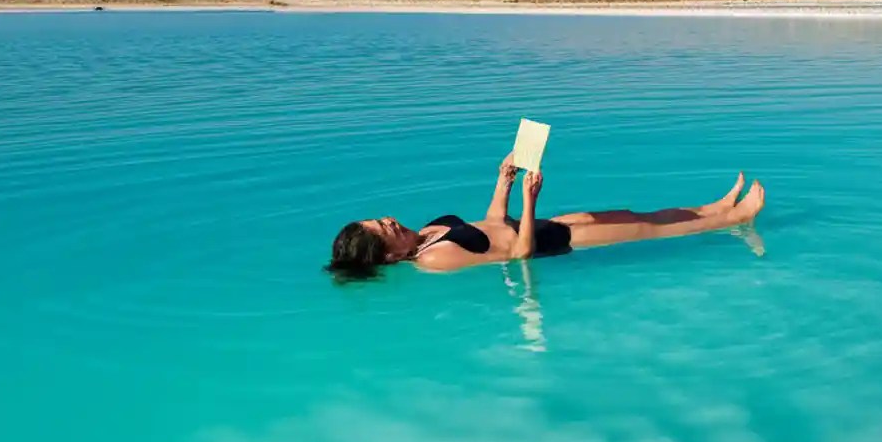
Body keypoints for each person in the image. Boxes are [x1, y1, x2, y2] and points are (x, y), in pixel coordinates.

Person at [326, 153, 765, 278]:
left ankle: (715, 205)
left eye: (377, 219)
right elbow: (516, 256)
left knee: (634, 212)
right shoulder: (434, 258)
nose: (386, 220)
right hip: (556, 242)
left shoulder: (427, 232)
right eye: (381, 230)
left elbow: (491, 225)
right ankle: (736, 219)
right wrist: (531, 201)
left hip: (544, 221)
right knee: (647, 229)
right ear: (385, 255)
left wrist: (504, 182)